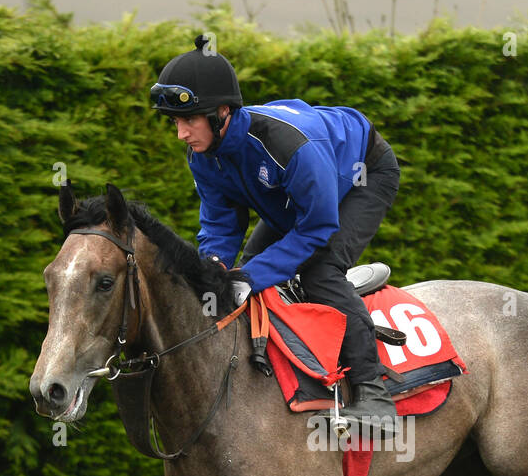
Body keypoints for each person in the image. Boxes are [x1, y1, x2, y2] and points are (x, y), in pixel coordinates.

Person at [150, 36, 400, 433]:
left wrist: (248, 278)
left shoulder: (288, 147)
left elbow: (316, 227)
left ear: (222, 113)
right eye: (176, 123)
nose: (181, 134)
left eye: (188, 120)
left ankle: (374, 395)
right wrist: (215, 266)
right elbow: (220, 221)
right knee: (249, 267)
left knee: (319, 270)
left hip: (361, 175)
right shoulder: (203, 154)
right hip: (297, 188)